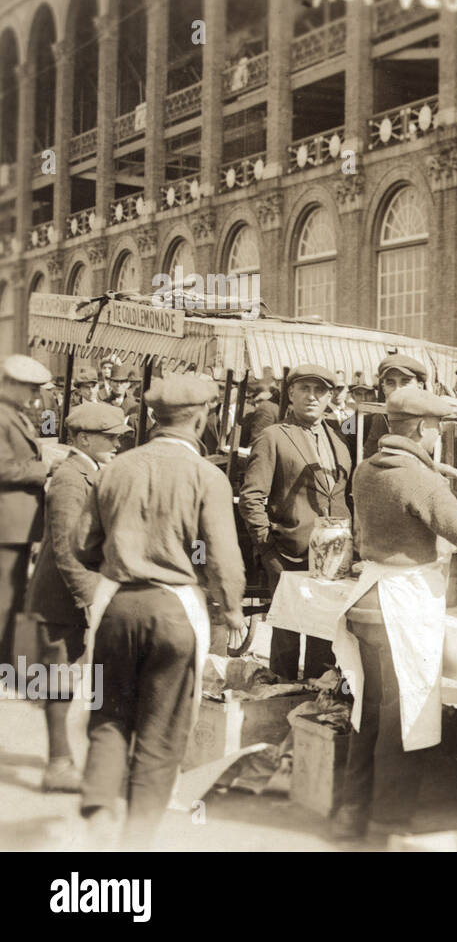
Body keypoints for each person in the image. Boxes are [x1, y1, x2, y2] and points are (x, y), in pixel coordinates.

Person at [332, 387, 457, 840]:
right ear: (423, 429)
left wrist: (438, 473)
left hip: (367, 597)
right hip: (400, 604)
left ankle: (349, 816)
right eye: (437, 429)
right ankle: (386, 828)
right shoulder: (419, 477)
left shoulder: (367, 468)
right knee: (403, 720)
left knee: (369, 714)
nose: (438, 437)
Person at [76, 375, 246, 848]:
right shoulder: (207, 475)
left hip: (118, 606)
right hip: (175, 610)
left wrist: (117, 559)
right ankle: (138, 835)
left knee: (109, 712)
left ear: (155, 416)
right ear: (201, 417)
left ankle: (96, 808)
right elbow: (223, 558)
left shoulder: (116, 468)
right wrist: (231, 609)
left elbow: (82, 544)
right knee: (161, 724)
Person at [23, 402, 130, 793]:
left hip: (78, 593)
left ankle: (78, 760)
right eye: (111, 437)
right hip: (61, 596)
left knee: (76, 678)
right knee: (57, 679)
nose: (118, 443)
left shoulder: (93, 470)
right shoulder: (72, 476)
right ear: (83, 438)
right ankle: (59, 763)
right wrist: (90, 600)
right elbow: (68, 549)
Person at [240, 363, 353, 680]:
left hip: (332, 555)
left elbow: (343, 497)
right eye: (305, 388)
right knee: (286, 642)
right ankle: (278, 703)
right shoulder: (273, 437)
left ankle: (313, 706)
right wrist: (268, 550)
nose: (312, 397)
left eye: (320, 391)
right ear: (290, 393)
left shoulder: (339, 443)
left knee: (324, 640)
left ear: (330, 396)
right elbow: (251, 498)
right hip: (288, 554)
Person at [0, 355, 60, 680]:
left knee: (10, 599)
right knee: (3, 599)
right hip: (6, 526)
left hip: (16, 525)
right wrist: (45, 469)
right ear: (10, 385)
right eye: (29, 389)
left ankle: (5, 665)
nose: (34, 397)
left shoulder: (15, 415)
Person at [363, 353, 430, 458]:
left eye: (405, 382)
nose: (397, 390)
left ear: (419, 387)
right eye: (391, 383)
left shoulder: (432, 425)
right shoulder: (365, 422)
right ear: (384, 388)